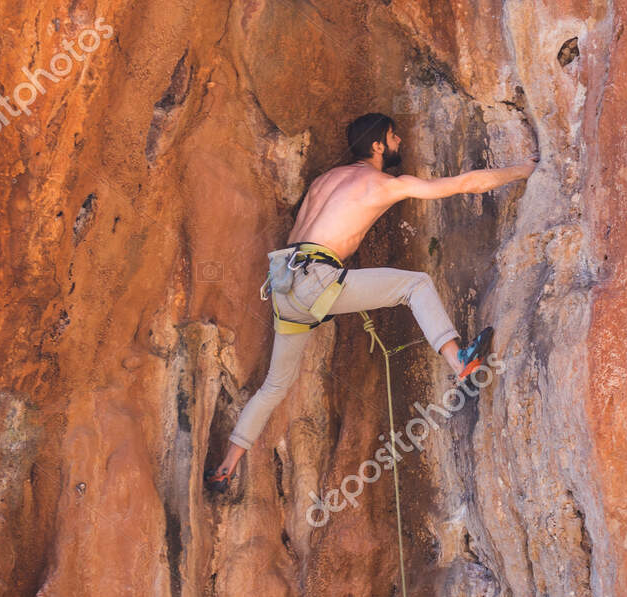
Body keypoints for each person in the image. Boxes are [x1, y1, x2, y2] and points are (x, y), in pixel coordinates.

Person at [204, 112, 535, 493]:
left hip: (283, 286)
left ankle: (227, 465)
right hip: (316, 281)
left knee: (274, 387)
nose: (400, 143)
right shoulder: (380, 184)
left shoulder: (323, 182)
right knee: (416, 285)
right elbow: (466, 183)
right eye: (394, 137)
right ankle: (459, 362)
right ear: (377, 145)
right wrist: (522, 170)